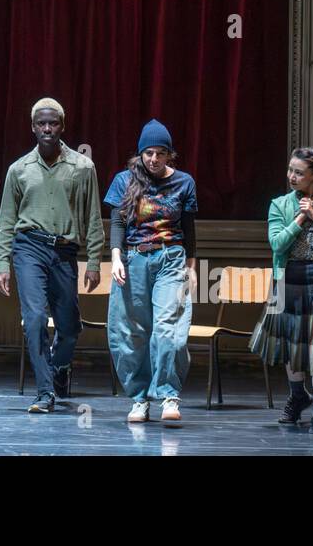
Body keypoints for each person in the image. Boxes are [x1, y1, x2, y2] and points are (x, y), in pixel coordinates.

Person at [0, 98, 105, 413]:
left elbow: (93, 217)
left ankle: (59, 366)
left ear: (62, 126)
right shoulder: (19, 169)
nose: (47, 128)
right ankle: (45, 392)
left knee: (70, 326)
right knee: (34, 319)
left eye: (53, 123)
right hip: (28, 246)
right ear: (32, 127)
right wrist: (3, 263)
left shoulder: (82, 167)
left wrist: (94, 260)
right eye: (41, 123)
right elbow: (6, 221)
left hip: (64, 250)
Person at [249, 147, 313, 434]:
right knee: (292, 345)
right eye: (290, 170)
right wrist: (299, 219)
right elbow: (277, 244)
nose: (291, 176)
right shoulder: (279, 205)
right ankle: (298, 396)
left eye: (299, 172)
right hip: (289, 282)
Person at [105, 119, 197, 423]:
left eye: (160, 153)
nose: (154, 159)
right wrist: (116, 258)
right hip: (133, 261)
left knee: (170, 330)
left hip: (171, 259)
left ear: (169, 154)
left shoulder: (184, 182)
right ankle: (140, 398)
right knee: (130, 332)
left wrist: (192, 267)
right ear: (140, 154)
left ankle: (169, 394)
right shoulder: (124, 180)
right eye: (148, 154)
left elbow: (188, 228)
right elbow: (118, 222)